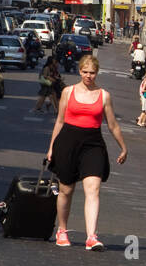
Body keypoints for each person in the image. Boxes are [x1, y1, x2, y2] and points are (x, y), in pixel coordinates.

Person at [47, 55, 127, 250]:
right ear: (80, 71)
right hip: (68, 142)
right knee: (66, 190)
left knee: (93, 188)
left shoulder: (104, 96)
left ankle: (91, 236)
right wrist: (51, 147)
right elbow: (59, 121)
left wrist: (123, 147)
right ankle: (62, 230)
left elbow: (113, 125)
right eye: (85, 72)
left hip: (93, 144)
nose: (88, 76)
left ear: (97, 73)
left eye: (92, 73)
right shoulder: (68, 92)